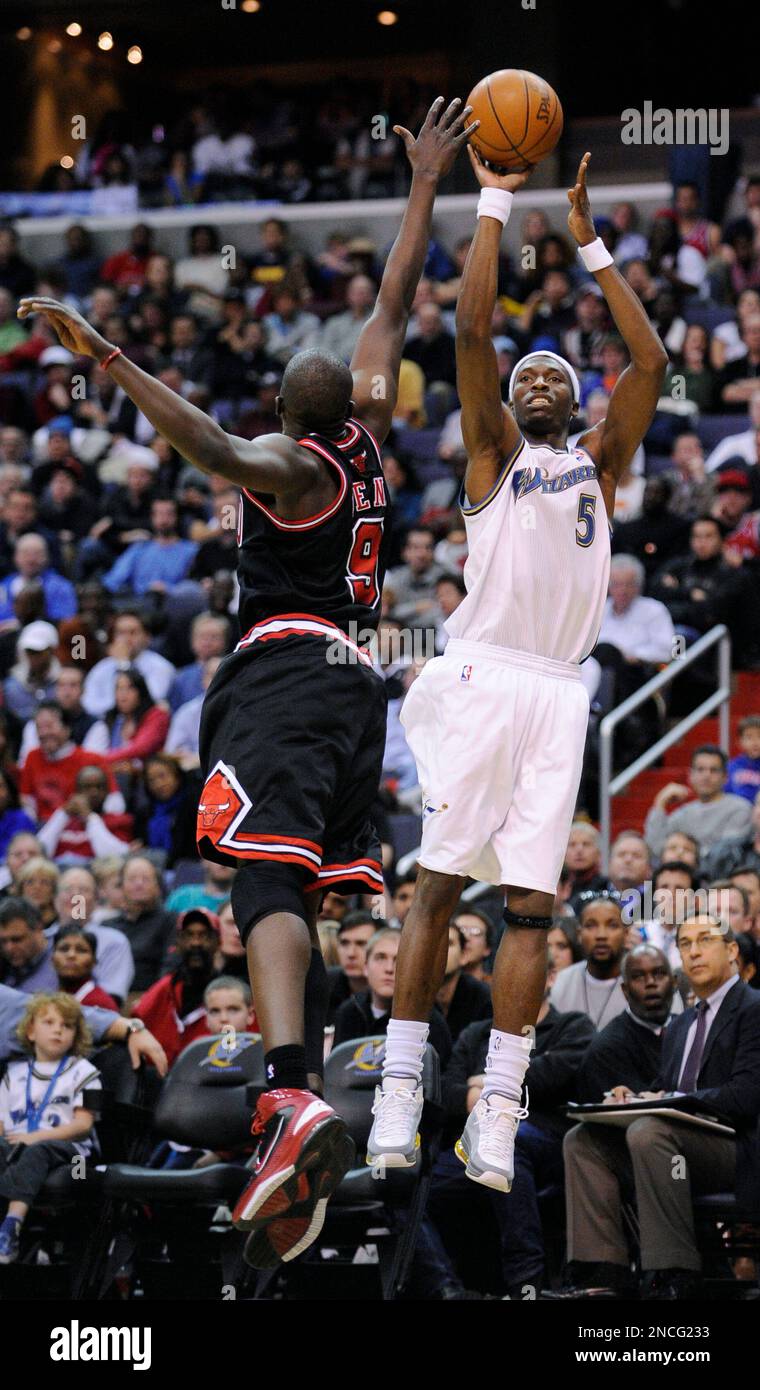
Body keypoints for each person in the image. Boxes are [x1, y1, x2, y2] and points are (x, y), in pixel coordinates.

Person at [19, 95, 478, 1267]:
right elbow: (391, 300)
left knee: (260, 886)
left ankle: (285, 1095)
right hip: (352, 693)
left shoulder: (283, 465)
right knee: (295, 895)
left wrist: (104, 353)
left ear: (285, 413)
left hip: (284, 678)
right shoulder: (365, 436)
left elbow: (215, 451)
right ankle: (295, 1108)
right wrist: (424, 184)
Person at [369, 149, 667, 1187]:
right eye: (526, 375)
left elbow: (653, 365)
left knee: (532, 906)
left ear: (577, 403)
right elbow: (471, 330)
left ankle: (497, 1101)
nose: (536, 379)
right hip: (484, 673)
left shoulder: (602, 459)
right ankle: (401, 1088)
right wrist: (493, 197)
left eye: (557, 376)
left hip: (559, 688)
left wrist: (587, 242)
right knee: (440, 887)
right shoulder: (492, 450)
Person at [552, 915, 760, 1300]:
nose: (694, 951)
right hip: (680, 1148)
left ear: (731, 951)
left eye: (705, 940)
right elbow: (664, 1090)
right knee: (584, 1140)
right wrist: (628, 1097)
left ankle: (672, 1274)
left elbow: (746, 1097)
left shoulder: (752, 1009)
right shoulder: (680, 1024)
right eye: (685, 944)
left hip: (739, 1148)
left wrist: (668, 1102)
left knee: (650, 1133)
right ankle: (601, 1273)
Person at [422, 964, 594, 1299]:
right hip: (476, 1143)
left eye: (528, 972)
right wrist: (490, 1090)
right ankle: (447, 1289)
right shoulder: (476, 1033)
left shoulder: (572, 1026)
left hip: (550, 1145)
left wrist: (482, 1086)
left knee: (507, 1143)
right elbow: (446, 1089)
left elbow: (545, 1079)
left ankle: (526, 1287)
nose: (518, 982)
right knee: (413, 1186)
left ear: (551, 977)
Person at [0, 992, 101, 1263]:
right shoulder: (13, 1074)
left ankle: (11, 1227)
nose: (58, 1029)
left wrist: (35, 1137)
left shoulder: (86, 1071)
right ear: (31, 1030)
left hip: (76, 1155)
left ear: (75, 1035)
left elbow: (83, 1125)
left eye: (67, 1025)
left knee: (38, 1149)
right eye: (49, 1022)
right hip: (17, 1145)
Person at [332, 927, 452, 1066]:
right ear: (365, 967)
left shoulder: (428, 1020)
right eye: (380, 958)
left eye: (399, 960)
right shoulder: (348, 1012)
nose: (389, 968)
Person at [577, 944, 679, 1100]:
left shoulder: (691, 1030)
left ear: (674, 983)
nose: (650, 982)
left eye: (659, 974)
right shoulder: (607, 1048)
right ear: (625, 990)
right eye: (638, 976)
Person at [132, 908, 220, 1067]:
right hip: (162, 1082)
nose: (195, 943)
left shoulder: (229, 993)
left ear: (217, 942)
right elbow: (135, 1024)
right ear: (178, 942)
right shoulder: (163, 989)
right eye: (188, 935)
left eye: (204, 935)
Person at [18, 702, 121, 825]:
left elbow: (115, 803)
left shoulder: (92, 760)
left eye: (49, 726)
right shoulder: (32, 757)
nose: (44, 733)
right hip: (42, 828)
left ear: (67, 729)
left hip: (81, 827)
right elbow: (26, 800)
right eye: (39, 728)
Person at [645, 745, 753, 859]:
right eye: (700, 769)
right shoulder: (683, 813)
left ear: (725, 777)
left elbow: (722, 855)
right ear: (690, 775)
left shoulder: (740, 808)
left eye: (714, 770)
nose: (707, 776)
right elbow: (655, 848)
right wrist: (660, 802)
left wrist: (684, 855)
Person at [549, 891, 628, 1028]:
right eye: (591, 925)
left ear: (626, 934)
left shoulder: (642, 981)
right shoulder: (559, 984)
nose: (601, 935)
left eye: (612, 925)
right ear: (579, 935)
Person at [106, 856, 175, 994]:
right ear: (122, 886)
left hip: (152, 997)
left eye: (146, 879)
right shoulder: (108, 926)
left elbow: (170, 967)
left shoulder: (170, 921)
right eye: (132, 879)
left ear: (158, 886)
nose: (139, 884)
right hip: (110, 999)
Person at [435, 921, 492, 1042]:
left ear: (464, 955)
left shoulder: (484, 998)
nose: (440, 950)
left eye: (449, 944)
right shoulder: (411, 996)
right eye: (433, 943)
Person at [51, 925, 119, 1009]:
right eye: (64, 949)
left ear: (94, 962)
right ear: (52, 959)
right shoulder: (45, 1000)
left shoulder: (102, 1004)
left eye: (81, 950)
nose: (71, 955)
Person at [326, 910, 376, 1024]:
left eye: (361, 944)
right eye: (344, 943)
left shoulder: (389, 990)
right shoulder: (324, 983)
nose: (351, 953)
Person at [452, 903, 496, 982]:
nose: (466, 937)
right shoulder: (433, 985)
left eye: (475, 931)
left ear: (487, 948)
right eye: (460, 930)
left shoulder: (496, 988)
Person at [725, 716, 760, 806]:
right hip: (737, 813)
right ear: (740, 741)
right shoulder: (731, 767)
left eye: (759, 736)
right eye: (749, 737)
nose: (755, 742)